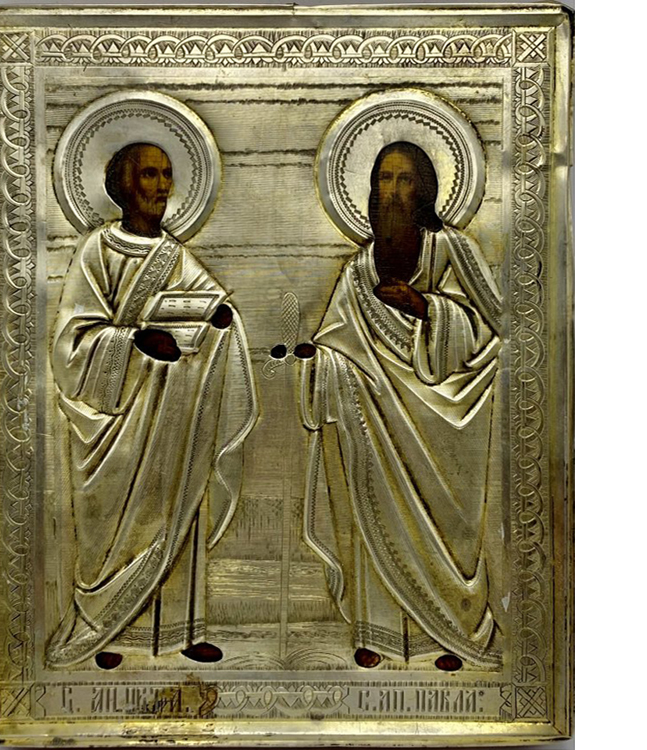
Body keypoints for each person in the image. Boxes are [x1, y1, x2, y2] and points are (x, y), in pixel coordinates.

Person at [47, 143, 258, 668]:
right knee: (111, 531)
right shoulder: (97, 251)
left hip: (172, 417)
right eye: (149, 175)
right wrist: (135, 342)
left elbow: (211, 305)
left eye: (166, 175)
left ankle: (182, 632)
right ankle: (104, 631)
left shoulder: (174, 255)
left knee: (177, 510)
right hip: (116, 426)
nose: (162, 186)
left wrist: (222, 321)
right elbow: (70, 344)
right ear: (123, 184)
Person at [297, 142, 503, 669]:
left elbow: (498, 331)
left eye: (404, 180)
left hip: (446, 424)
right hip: (375, 427)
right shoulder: (356, 271)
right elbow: (336, 343)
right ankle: (379, 635)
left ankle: (454, 634)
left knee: (447, 533)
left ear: (425, 190)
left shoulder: (452, 251)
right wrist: (319, 364)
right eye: (383, 180)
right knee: (375, 515)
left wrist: (429, 309)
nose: (391, 192)